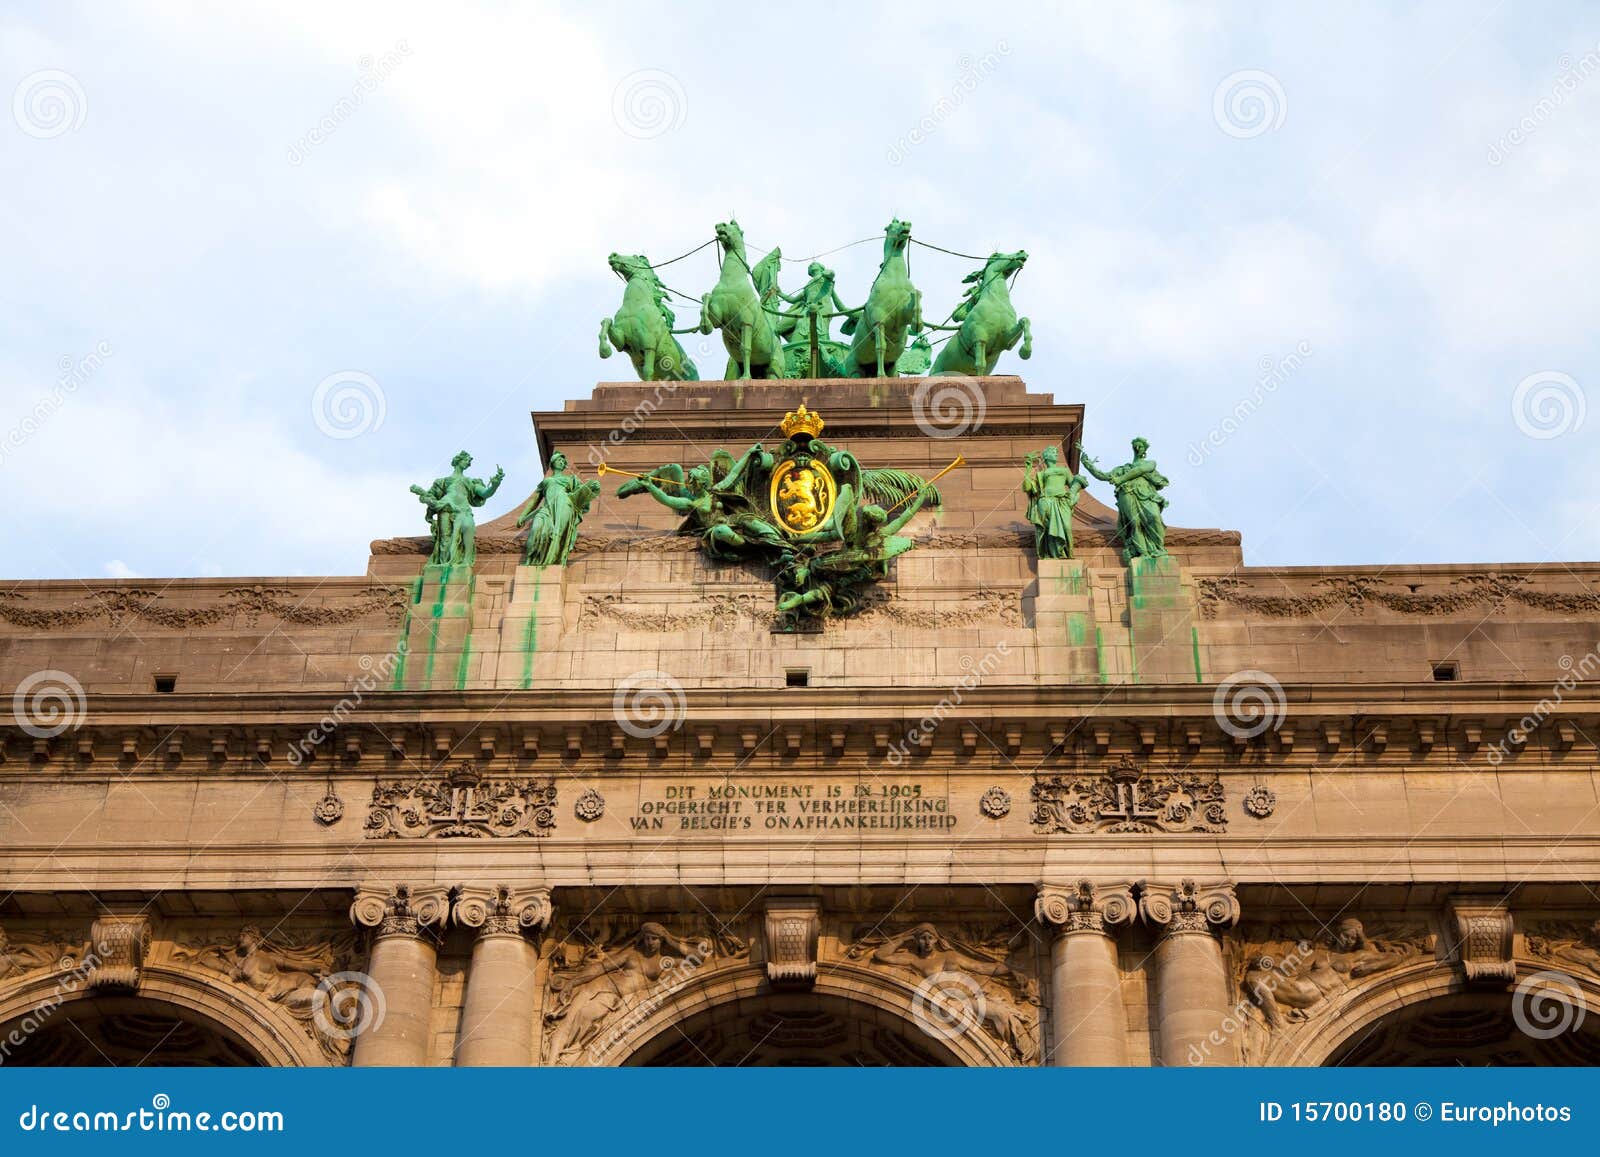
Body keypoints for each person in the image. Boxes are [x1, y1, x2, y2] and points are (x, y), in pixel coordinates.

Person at [1079, 437, 1169, 560]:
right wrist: (1087, 464)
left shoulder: (1150, 463)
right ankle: (1142, 552)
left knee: (1154, 517)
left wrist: (1121, 479)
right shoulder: (1122, 468)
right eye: (1136, 446)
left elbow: (1140, 470)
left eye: (1141, 446)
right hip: (1127, 494)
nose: (1138, 448)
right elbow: (1103, 476)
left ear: (1145, 449)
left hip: (1147, 496)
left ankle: (1159, 548)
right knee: (1134, 524)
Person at [517, 451, 601, 566]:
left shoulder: (570, 479)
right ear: (552, 463)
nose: (561, 462)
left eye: (563, 461)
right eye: (559, 460)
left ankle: (552, 558)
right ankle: (530, 559)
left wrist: (591, 487)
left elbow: (580, 494)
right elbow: (534, 500)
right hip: (546, 509)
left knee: (557, 534)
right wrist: (523, 515)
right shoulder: (546, 481)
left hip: (564, 507)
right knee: (535, 529)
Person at [1022, 446, 1086, 559]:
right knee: (1048, 530)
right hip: (1045, 500)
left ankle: (1067, 553)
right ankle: (1053, 555)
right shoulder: (1041, 474)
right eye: (1053, 452)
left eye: (1056, 452)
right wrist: (1028, 468)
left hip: (1062, 501)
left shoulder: (1064, 470)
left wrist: (1072, 499)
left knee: (1067, 528)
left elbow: (1075, 486)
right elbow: (1027, 487)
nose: (1056, 454)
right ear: (1046, 456)